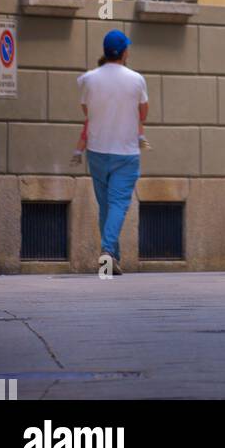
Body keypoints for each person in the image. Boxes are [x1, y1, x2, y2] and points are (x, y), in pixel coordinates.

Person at [77, 30, 148, 276]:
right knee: (118, 203)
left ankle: (113, 257)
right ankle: (107, 251)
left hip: (97, 150)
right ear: (125, 52)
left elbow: (86, 110)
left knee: (105, 204)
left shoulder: (88, 79)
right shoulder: (136, 80)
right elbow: (143, 113)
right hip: (126, 152)